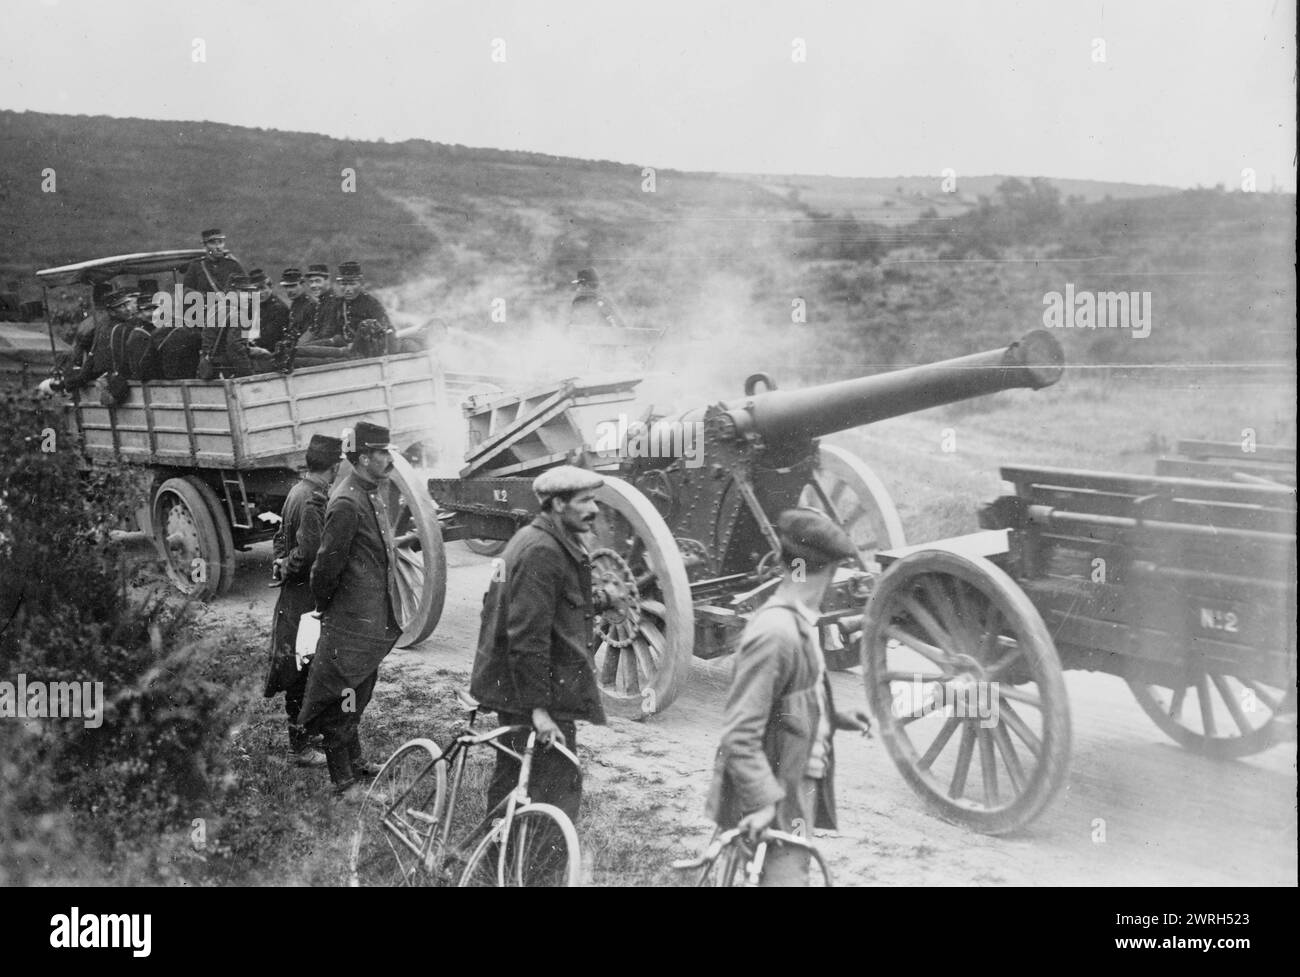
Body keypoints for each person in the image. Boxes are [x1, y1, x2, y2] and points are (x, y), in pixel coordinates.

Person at [703, 508, 873, 887]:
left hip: (795, 789)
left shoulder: (800, 622)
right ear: (828, 573)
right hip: (770, 796)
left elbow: (795, 695)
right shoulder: (775, 632)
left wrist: (835, 717)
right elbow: (740, 733)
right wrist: (762, 802)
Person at [469, 465, 607, 825]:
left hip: (517, 687)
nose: (594, 509)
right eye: (585, 501)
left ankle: (490, 871)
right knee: (557, 793)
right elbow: (528, 638)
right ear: (558, 505)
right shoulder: (543, 551)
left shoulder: (535, 539)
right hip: (531, 694)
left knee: (514, 784)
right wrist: (539, 711)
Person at [298, 421, 404, 799]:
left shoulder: (368, 492)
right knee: (340, 694)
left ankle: (354, 761)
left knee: (358, 689)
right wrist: (326, 608)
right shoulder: (346, 501)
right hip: (349, 619)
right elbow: (326, 565)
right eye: (380, 452)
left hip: (367, 617)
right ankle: (342, 780)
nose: (387, 457)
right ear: (362, 458)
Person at [264, 434, 342, 769]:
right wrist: (289, 567)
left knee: (302, 668)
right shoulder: (314, 498)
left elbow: (280, 537)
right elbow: (310, 552)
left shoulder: (296, 491)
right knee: (304, 670)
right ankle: (300, 747)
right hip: (305, 597)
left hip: (292, 597)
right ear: (335, 466)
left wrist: (281, 563)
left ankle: (309, 738)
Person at [60, 287, 136, 393]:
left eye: (126, 305)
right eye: (121, 306)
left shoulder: (102, 326)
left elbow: (90, 353)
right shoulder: (120, 329)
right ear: (111, 312)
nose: (128, 309)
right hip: (117, 382)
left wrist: (79, 378)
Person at [276, 267, 315, 372]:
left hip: (303, 353)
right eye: (287, 287)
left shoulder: (311, 304)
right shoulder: (295, 303)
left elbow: (311, 333)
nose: (289, 290)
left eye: (293, 286)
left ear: (302, 284)